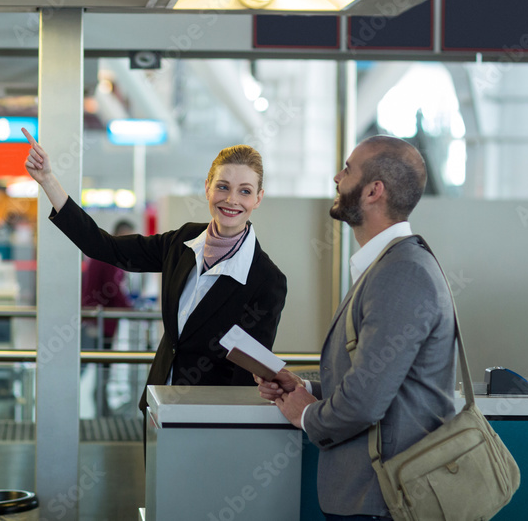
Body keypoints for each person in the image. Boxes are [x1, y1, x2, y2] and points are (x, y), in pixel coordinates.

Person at [257, 136, 456, 521]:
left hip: (384, 499)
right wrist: (304, 389)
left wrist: (306, 414)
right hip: (378, 495)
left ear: (373, 191)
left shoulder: (402, 273)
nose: (336, 177)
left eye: (347, 170)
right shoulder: (388, 267)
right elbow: (382, 380)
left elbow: (365, 402)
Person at [23, 128, 287, 412]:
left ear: (258, 199)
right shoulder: (182, 242)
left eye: (244, 191)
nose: (232, 199)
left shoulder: (266, 280)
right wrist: (48, 180)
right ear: (207, 187)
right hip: (158, 403)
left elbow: (246, 374)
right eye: (223, 186)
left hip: (210, 415)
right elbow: (103, 247)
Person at [81, 219, 137, 416]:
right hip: (99, 322)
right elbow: (113, 290)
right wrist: (130, 309)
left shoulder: (101, 255)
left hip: (95, 319)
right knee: (99, 366)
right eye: (127, 236)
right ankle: (102, 412)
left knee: (96, 365)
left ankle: (102, 408)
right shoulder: (109, 257)